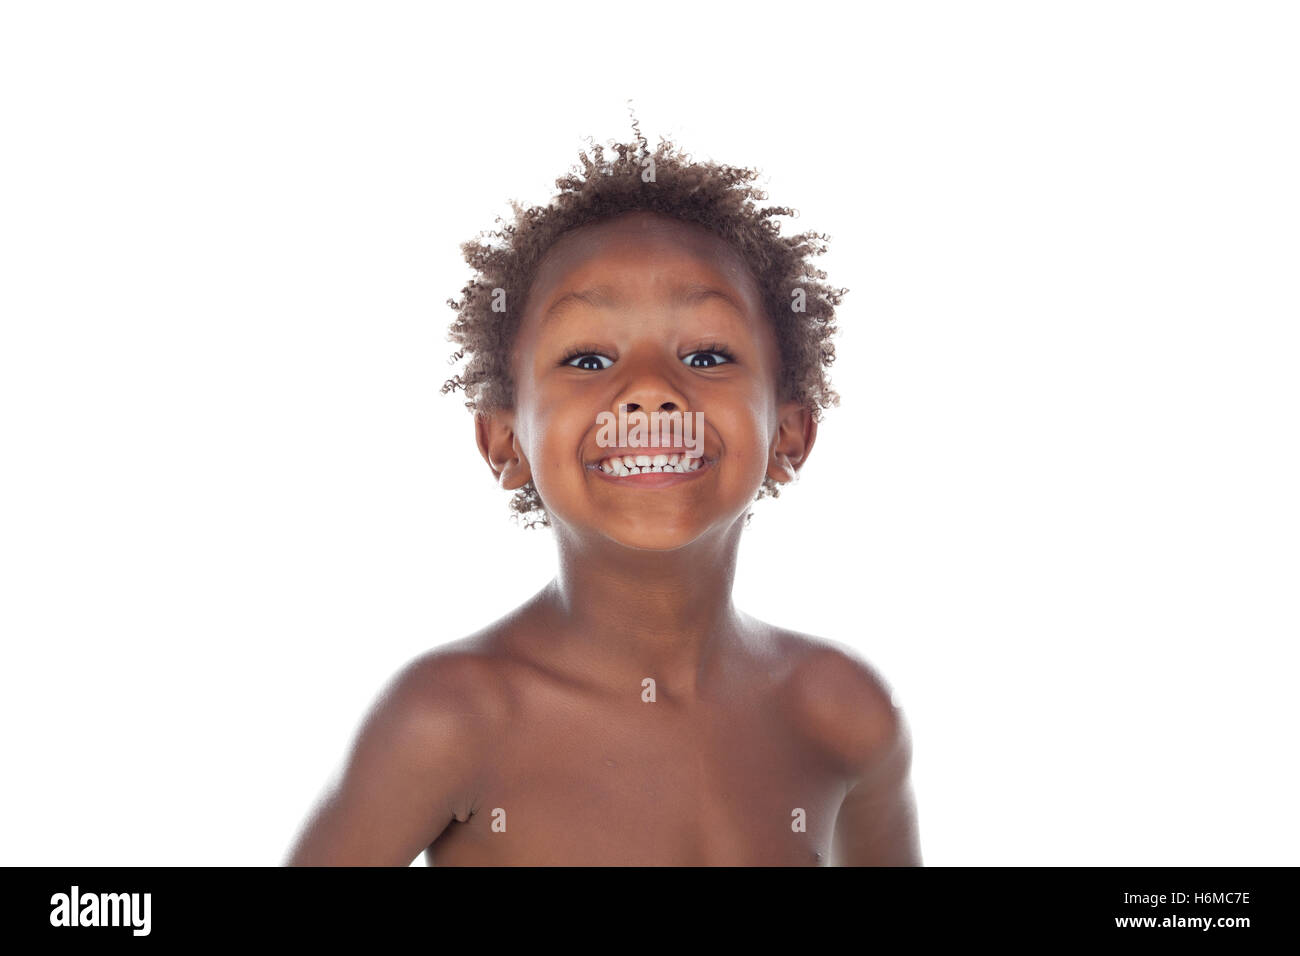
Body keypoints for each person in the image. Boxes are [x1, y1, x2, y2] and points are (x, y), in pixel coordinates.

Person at [285, 125, 922, 866]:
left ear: (791, 433)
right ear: (504, 441)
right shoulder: (452, 717)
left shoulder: (841, 713)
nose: (650, 393)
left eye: (707, 355)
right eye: (588, 358)